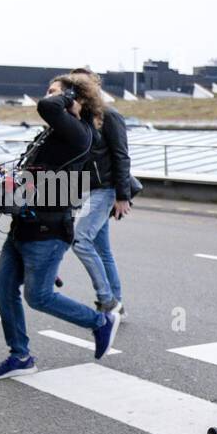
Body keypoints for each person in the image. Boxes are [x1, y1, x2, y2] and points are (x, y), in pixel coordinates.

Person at [0, 74, 120, 379]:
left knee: (38, 296)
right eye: (48, 90)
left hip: (48, 231)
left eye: (56, 91)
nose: (47, 96)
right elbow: (40, 177)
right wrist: (7, 179)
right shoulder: (53, 134)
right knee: (3, 291)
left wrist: (68, 97)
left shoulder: (79, 132)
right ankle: (20, 356)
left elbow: (47, 106)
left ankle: (100, 322)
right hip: (24, 227)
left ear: (76, 99)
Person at [69, 67, 130, 317]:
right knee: (102, 249)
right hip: (86, 189)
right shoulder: (79, 118)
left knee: (80, 239)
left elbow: (121, 155)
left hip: (104, 189)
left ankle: (108, 301)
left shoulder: (109, 116)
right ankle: (117, 303)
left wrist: (122, 195)